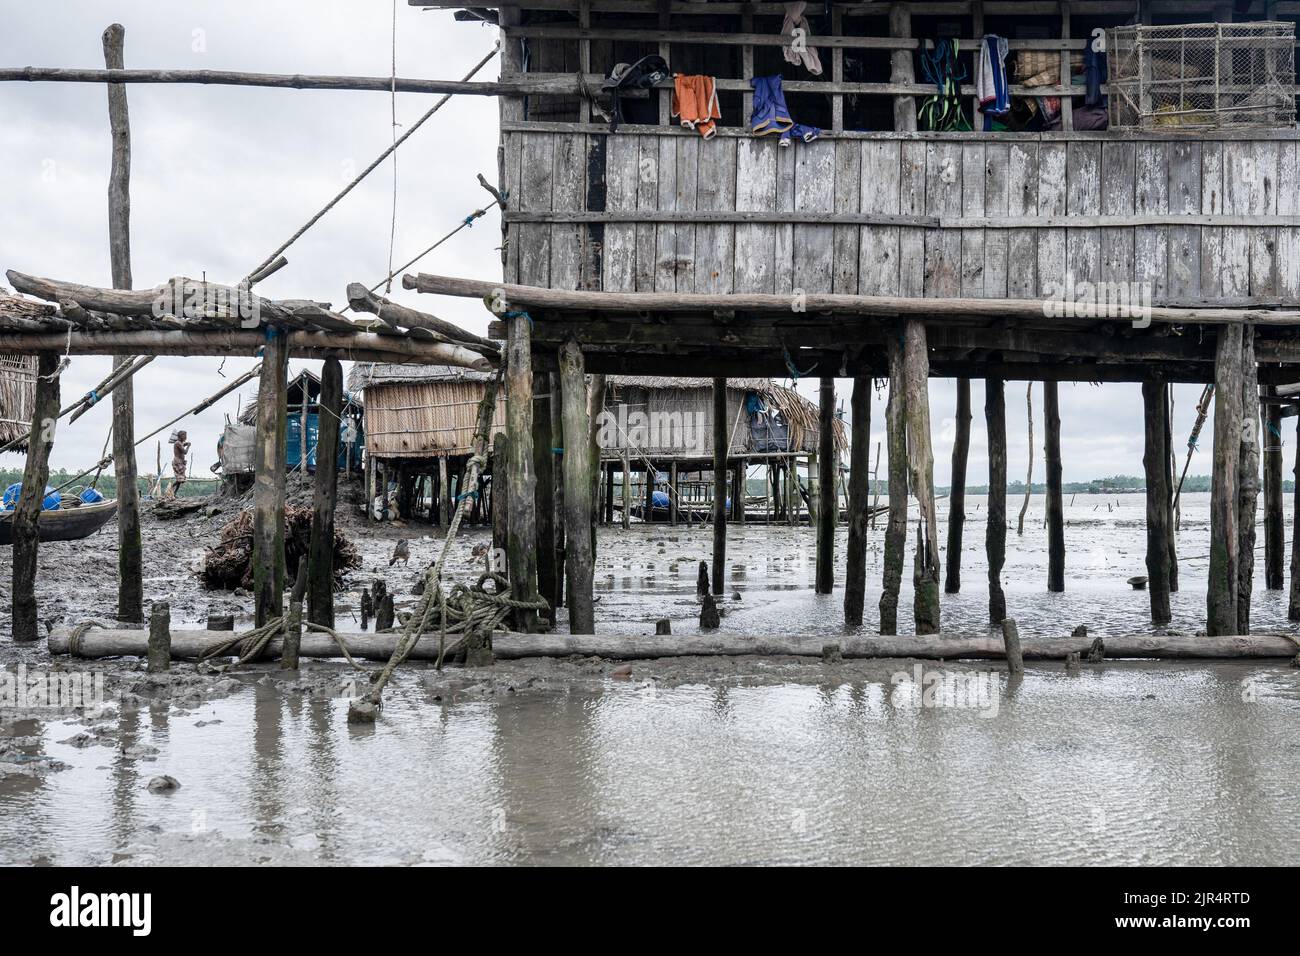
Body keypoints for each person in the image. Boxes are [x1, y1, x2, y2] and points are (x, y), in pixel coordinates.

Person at [169, 430, 192, 499]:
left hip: (180, 462)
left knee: (180, 480)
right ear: (181, 436)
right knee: (179, 479)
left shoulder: (179, 443)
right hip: (178, 462)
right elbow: (184, 452)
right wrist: (188, 446)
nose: (185, 438)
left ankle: (174, 493)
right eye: (185, 436)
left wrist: (185, 444)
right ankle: (170, 490)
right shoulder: (177, 443)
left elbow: (182, 445)